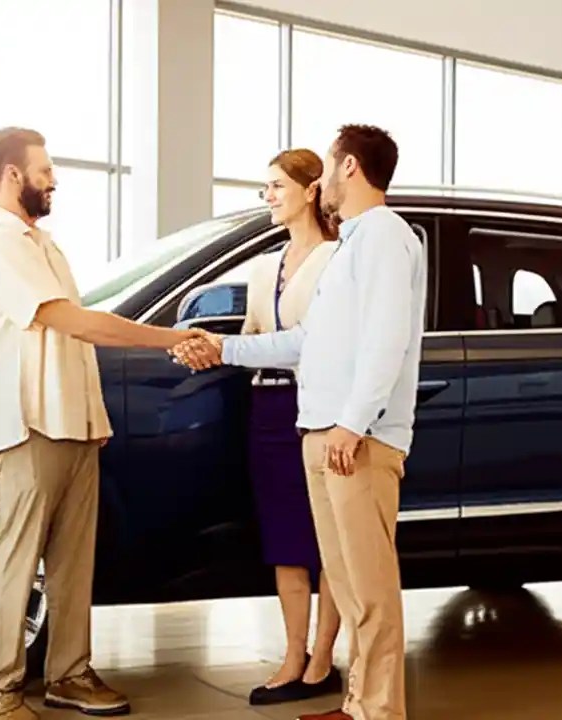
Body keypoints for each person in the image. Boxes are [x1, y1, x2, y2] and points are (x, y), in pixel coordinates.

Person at [173, 124, 423, 720]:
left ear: (351, 168)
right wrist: (224, 349)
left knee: (369, 591)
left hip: (353, 440)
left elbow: (387, 340)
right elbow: (308, 341)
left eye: (332, 164)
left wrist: (353, 424)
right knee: (345, 576)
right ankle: (357, 702)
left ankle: (379, 712)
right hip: (323, 433)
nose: (327, 177)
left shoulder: (385, 236)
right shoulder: (351, 247)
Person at [0, 126, 206, 720]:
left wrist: (94, 420)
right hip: (28, 427)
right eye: (44, 169)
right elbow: (75, 324)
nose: (53, 179)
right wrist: (172, 338)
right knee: (16, 561)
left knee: (74, 566)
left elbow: (72, 341)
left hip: (75, 426)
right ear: (12, 175)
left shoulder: (42, 244)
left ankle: (69, 675)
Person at [242, 149, 343, 706]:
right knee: (285, 540)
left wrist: (246, 348)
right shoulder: (263, 268)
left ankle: (323, 655)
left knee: (327, 540)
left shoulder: (336, 261)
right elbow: (255, 335)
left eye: (278, 186)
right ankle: (291, 655)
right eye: (267, 188)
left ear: (310, 190)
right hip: (269, 410)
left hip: (318, 409)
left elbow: (318, 343)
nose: (271, 197)